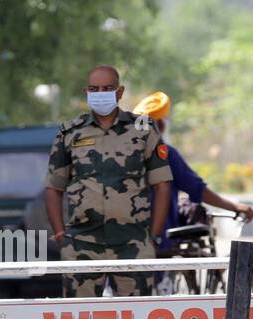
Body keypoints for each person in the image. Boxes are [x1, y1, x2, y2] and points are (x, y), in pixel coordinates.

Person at [45, 65, 173, 298]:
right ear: (86, 92)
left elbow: (162, 185)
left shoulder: (142, 129)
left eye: (107, 88)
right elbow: (54, 188)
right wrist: (61, 234)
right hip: (81, 245)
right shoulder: (70, 132)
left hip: (132, 243)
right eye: (94, 89)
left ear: (120, 92)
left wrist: (152, 237)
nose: (100, 93)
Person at [130, 91, 253, 250]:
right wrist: (235, 207)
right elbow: (197, 190)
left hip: (119, 240)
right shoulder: (166, 154)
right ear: (161, 125)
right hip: (155, 241)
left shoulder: (120, 154)